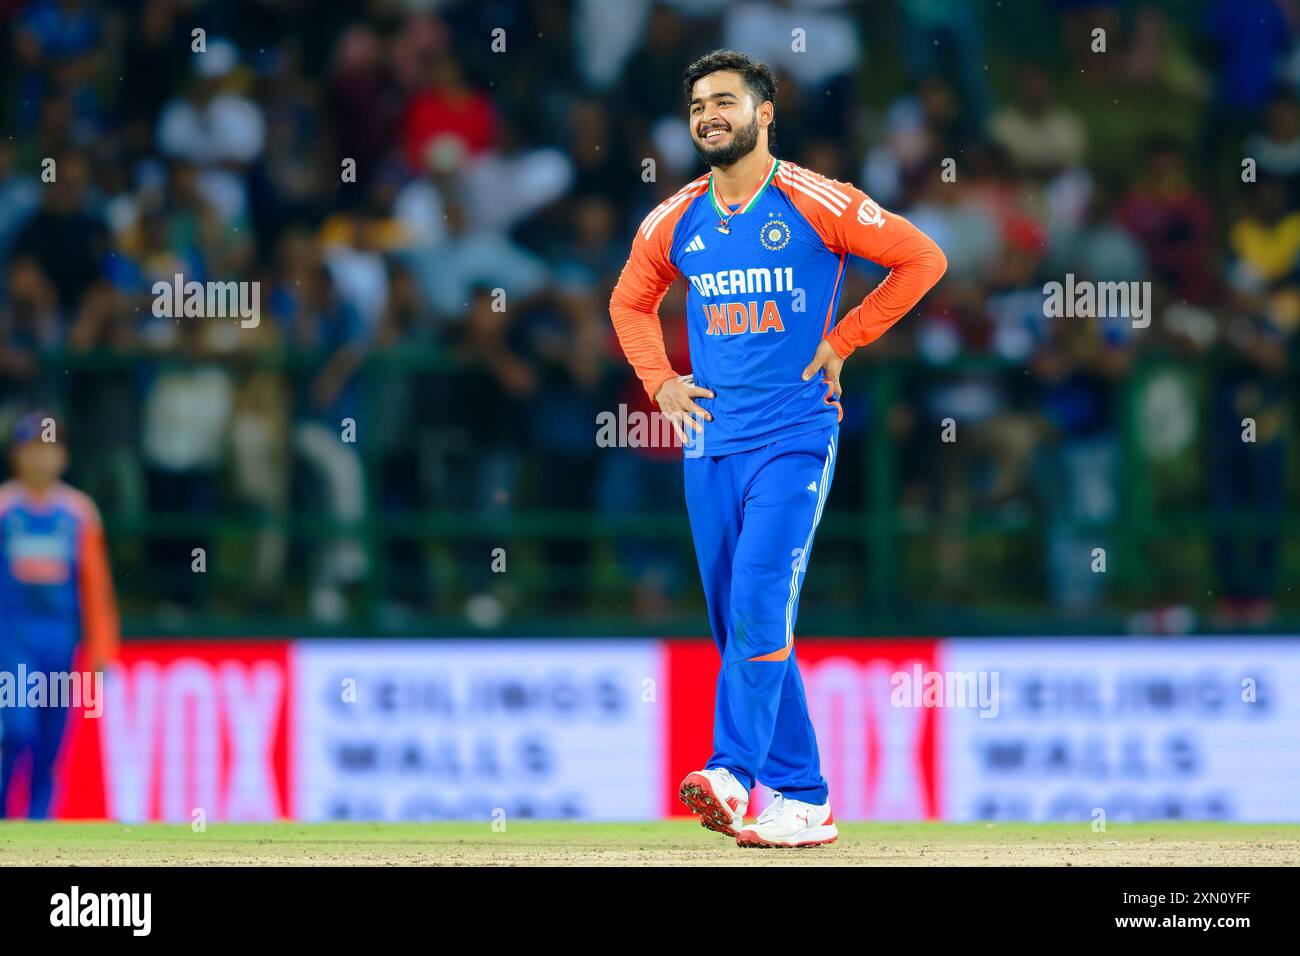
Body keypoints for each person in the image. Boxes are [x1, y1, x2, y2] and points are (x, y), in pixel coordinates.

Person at [609, 50, 945, 847]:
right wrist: (659, 382)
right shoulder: (675, 217)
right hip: (707, 444)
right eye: (697, 106)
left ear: (766, 113)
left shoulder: (812, 197)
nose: (708, 116)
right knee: (742, 624)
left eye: (724, 101)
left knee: (759, 603)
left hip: (794, 437)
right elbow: (628, 300)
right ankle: (803, 797)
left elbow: (921, 258)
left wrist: (848, 338)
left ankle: (731, 772)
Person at [0, 411, 119, 818]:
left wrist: (102, 648)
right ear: (16, 455)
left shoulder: (79, 511)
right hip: (11, 637)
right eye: (33, 449)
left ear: (65, 457)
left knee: (52, 740)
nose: (42, 459)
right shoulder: (4, 507)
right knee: (16, 729)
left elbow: (95, 586)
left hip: (60, 639)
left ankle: (38, 829)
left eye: (51, 450)